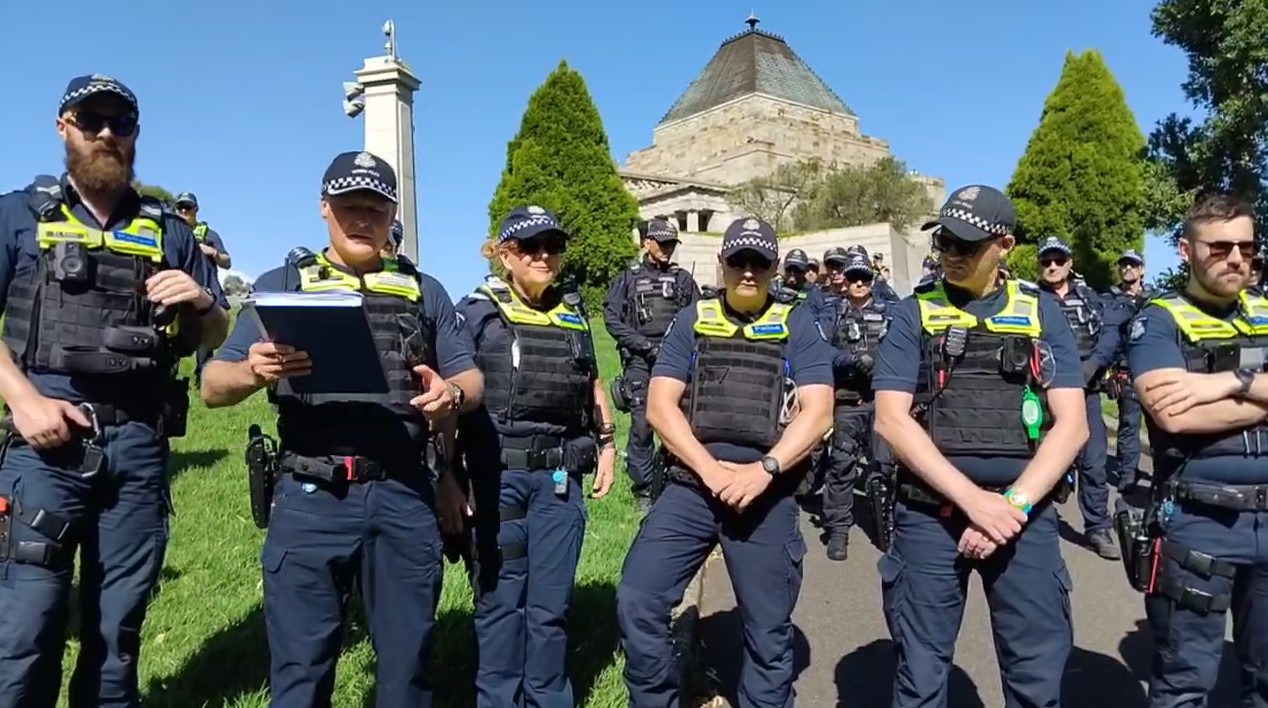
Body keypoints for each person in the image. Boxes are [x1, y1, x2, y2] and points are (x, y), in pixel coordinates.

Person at [200, 150, 483, 707]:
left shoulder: (423, 290)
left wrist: (450, 395)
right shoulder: (284, 284)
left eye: (375, 209)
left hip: (403, 494)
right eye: (349, 207)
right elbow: (212, 385)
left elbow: (472, 380)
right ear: (324, 209)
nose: (362, 220)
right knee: (301, 674)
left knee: (407, 671)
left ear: (390, 214)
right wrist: (254, 370)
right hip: (311, 496)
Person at [0, 74, 230, 707]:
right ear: (63, 127)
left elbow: (215, 329)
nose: (105, 133)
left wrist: (203, 300)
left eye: (119, 123)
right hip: (45, 447)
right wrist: (22, 399)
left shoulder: (168, 230)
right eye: (90, 119)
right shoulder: (19, 215)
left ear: (133, 135)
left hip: (139, 447)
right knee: (24, 628)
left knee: (117, 632)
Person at [873, 185, 1089, 707]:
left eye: (965, 246)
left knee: (1037, 679)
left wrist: (1009, 508)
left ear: (1004, 246)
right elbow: (891, 421)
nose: (949, 254)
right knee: (920, 679)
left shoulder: (1040, 312)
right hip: (930, 517)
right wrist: (976, 505)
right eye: (944, 240)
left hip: (1024, 519)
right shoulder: (912, 314)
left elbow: (1074, 424)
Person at [617, 217, 835, 707]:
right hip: (693, 486)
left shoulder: (798, 322)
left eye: (760, 261)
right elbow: (659, 406)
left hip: (767, 491)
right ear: (722, 264)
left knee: (767, 628)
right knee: (638, 598)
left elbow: (819, 411)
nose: (749, 271)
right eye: (739, 260)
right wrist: (710, 471)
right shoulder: (693, 318)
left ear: (775, 267)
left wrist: (765, 471)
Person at [456, 204, 618, 707]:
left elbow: (591, 380)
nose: (544, 256)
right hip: (495, 476)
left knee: (550, 608)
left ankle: (548, 698)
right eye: (531, 247)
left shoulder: (572, 310)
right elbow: (453, 392)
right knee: (502, 604)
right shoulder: (477, 311)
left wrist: (608, 443)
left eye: (553, 246)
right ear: (506, 254)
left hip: (559, 480)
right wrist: (449, 475)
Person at [1125, 193, 1268, 706]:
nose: (1235, 258)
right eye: (1220, 247)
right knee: (1186, 681)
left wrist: (1220, 382)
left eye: (1247, 247)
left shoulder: (1265, 311)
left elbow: (1194, 400)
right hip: (1200, 522)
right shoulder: (1158, 320)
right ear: (1186, 250)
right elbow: (1173, 414)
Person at [1034, 236, 1126, 559]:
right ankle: (1033, 522)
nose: (1053, 266)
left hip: (1084, 391)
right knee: (1037, 458)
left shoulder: (1089, 298)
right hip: (1040, 393)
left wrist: (1093, 365)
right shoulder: (1030, 299)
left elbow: (1112, 333)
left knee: (1094, 461)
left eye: (1058, 260)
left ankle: (1097, 527)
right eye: (1046, 261)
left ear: (1070, 263)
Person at [602, 218, 698, 510]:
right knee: (642, 426)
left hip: (676, 360)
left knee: (681, 423)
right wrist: (643, 345)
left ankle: (676, 481)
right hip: (640, 362)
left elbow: (698, 317)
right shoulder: (627, 278)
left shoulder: (683, 279)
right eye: (662, 243)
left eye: (671, 243)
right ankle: (643, 489)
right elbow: (612, 319)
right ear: (647, 243)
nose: (668, 248)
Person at [820, 253, 886, 561]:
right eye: (853, 278)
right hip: (847, 401)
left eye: (865, 278)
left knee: (886, 466)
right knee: (842, 464)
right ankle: (838, 530)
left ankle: (889, 527)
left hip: (880, 401)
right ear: (844, 282)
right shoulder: (831, 313)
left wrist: (879, 365)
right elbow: (822, 351)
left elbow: (903, 350)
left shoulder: (890, 312)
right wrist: (849, 360)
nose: (859, 283)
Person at [1106, 249, 1154, 492]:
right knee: (1129, 424)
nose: (1128, 269)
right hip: (1125, 371)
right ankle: (1127, 474)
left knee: (1158, 425)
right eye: (1124, 265)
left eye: (1133, 265)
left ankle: (1164, 475)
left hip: (1152, 370)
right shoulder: (1110, 299)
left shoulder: (1154, 299)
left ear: (1141, 269)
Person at [173, 191, 231, 386]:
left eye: (187, 207)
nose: (183, 211)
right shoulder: (170, 231)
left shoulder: (208, 234)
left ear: (195, 210)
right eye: (180, 207)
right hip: (177, 288)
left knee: (204, 333)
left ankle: (203, 378)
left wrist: (212, 252)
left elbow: (227, 262)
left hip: (204, 288)